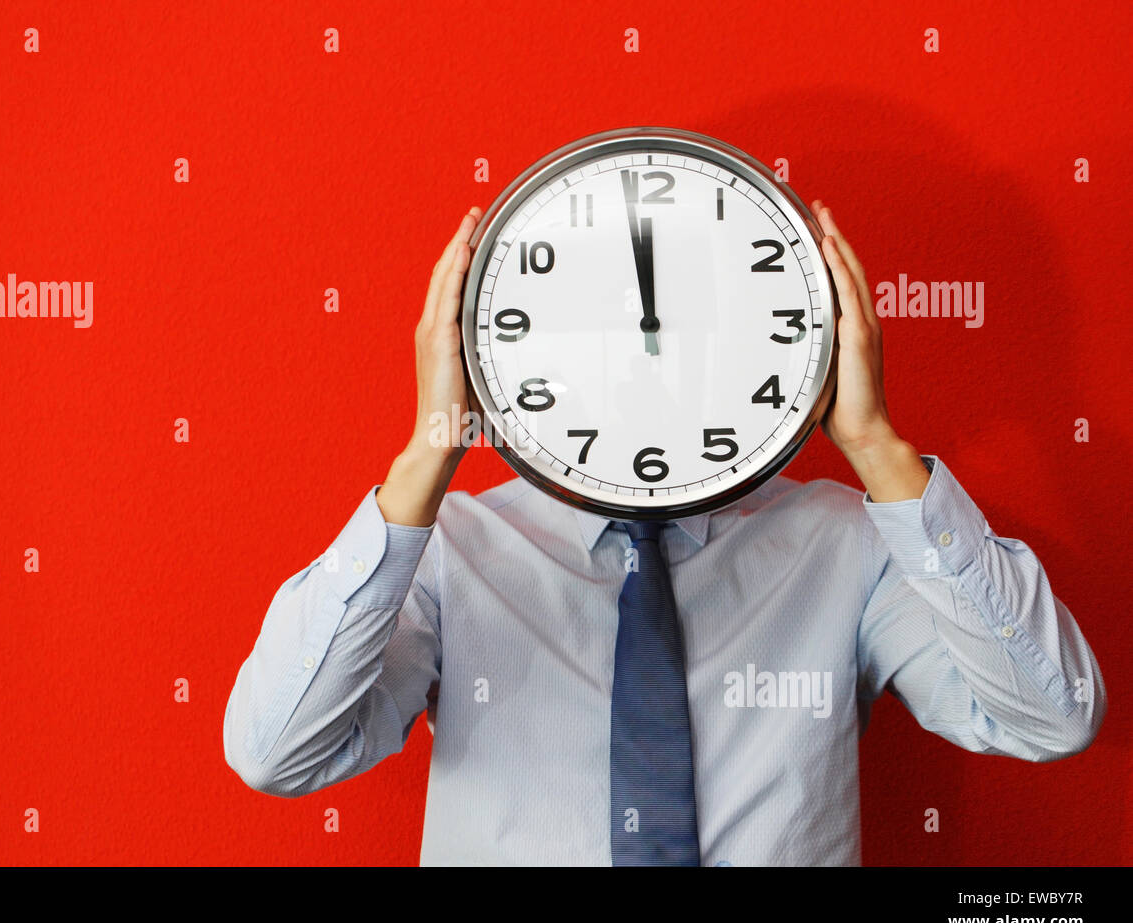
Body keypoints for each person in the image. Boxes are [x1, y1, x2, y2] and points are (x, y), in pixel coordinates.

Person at [223, 203, 1106, 865]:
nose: (648, 354)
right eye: (610, 330)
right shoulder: (453, 550)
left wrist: (877, 448)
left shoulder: (848, 544)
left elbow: (1052, 717)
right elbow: (278, 753)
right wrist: (429, 451)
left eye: (688, 328)